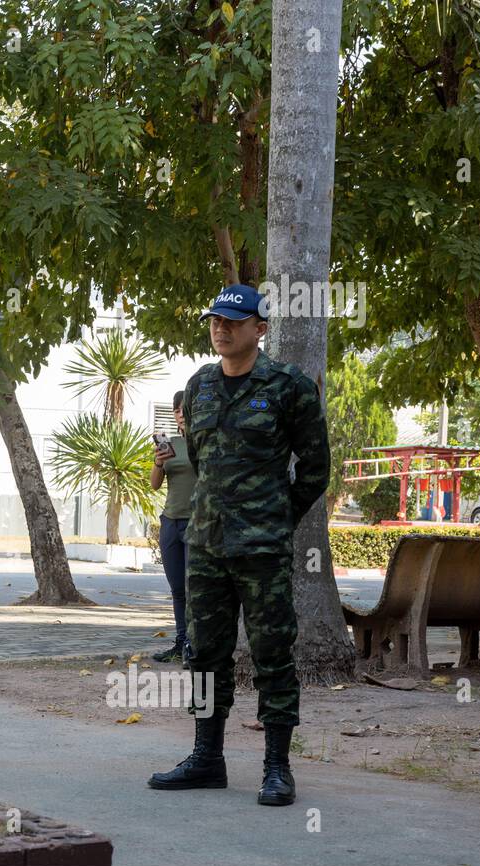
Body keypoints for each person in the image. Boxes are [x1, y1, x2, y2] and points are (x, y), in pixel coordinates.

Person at [147, 284, 330, 806]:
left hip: (262, 550)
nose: (220, 329)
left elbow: (316, 468)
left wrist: (274, 517)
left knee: (273, 654)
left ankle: (277, 767)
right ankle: (207, 758)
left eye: (233, 321)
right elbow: (203, 462)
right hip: (205, 545)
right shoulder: (199, 385)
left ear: (261, 328)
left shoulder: (288, 386)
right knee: (204, 654)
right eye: (214, 321)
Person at [150, 391, 195, 663]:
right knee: (177, 588)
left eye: (184, 409)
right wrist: (158, 462)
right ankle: (181, 642)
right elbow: (155, 484)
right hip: (170, 522)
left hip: (197, 523)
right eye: (176, 410)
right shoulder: (169, 444)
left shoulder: (204, 443)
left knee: (193, 588)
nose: (180, 413)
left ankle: (193, 644)